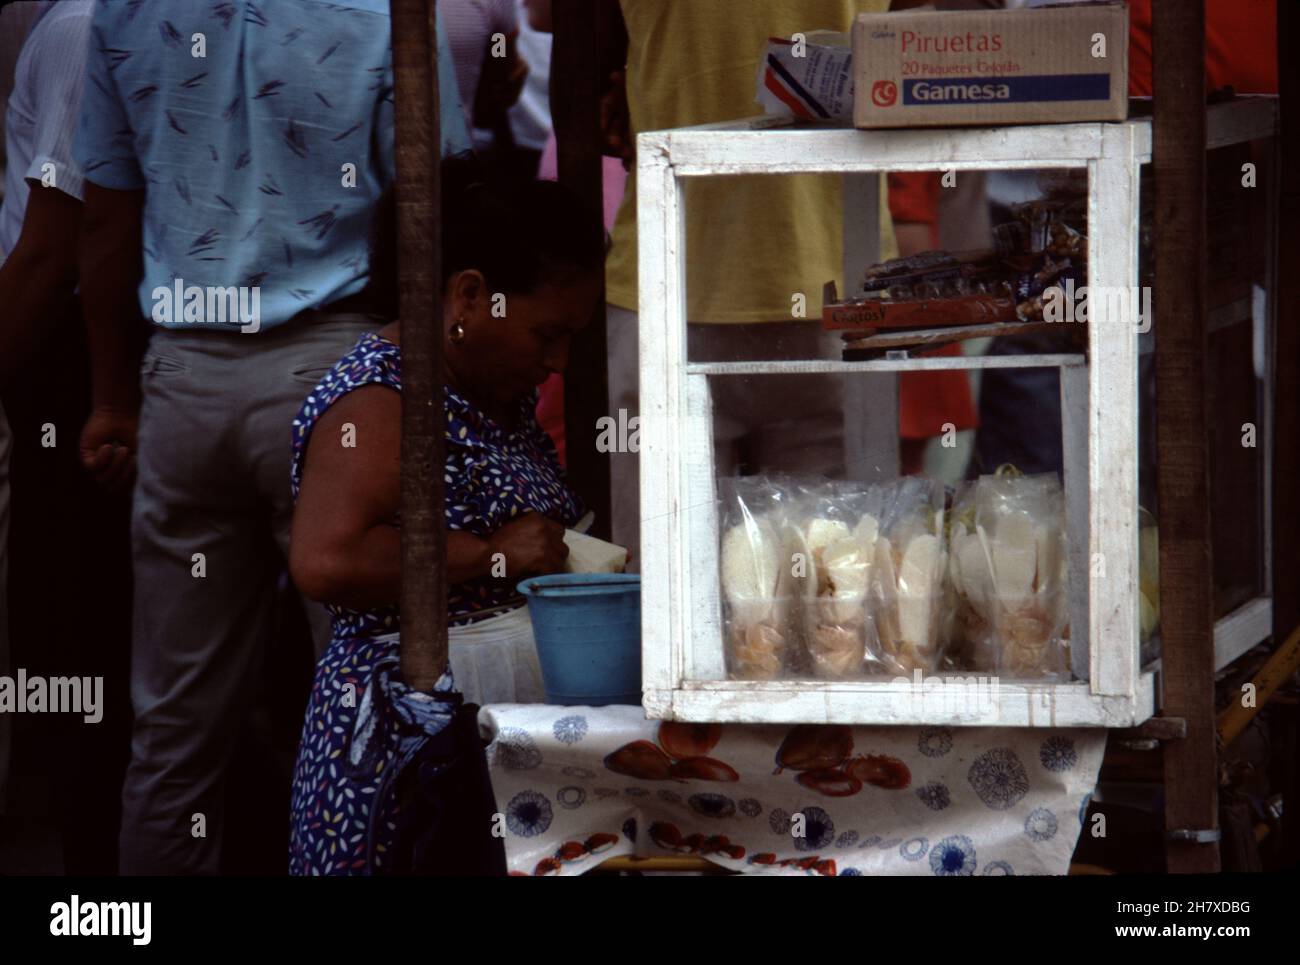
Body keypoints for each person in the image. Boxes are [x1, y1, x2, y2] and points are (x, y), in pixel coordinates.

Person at [72, 0, 472, 875]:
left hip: (184, 379)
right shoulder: (388, 12)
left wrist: (110, 400)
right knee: (376, 701)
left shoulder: (128, 12)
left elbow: (102, 223)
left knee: (175, 725)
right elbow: (434, 206)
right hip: (335, 382)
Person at [287, 169, 603, 875]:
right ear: (468, 296)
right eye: (547, 334)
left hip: (482, 759)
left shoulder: (492, 393)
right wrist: (492, 554)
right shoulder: (379, 398)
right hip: (398, 760)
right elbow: (326, 560)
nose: (557, 362)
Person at [598, 0, 897, 567]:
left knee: (668, 584)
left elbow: (580, 48)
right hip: (827, 282)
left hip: (680, 280)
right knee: (836, 591)